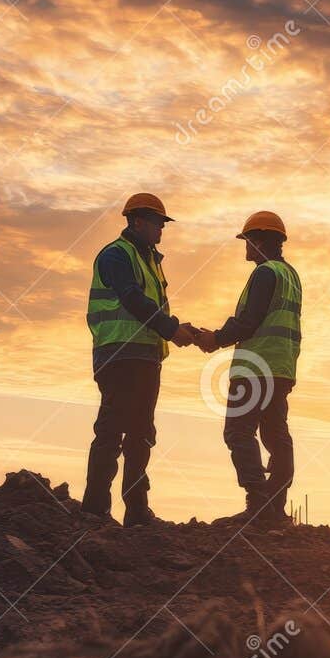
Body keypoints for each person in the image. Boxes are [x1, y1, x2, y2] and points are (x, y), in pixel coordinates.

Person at [84, 192, 205, 525]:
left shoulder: (149, 260)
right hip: (120, 353)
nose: (161, 230)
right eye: (156, 224)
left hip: (145, 357)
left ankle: (137, 512)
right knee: (112, 430)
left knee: (140, 433)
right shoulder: (116, 255)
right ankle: (94, 510)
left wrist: (178, 328)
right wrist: (171, 329)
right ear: (137, 222)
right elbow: (133, 300)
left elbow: (150, 306)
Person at [196, 211, 302, 524]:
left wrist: (214, 339)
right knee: (276, 437)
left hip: (256, 368)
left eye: (247, 240)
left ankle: (259, 506)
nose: (245, 247)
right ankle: (275, 508)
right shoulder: (290, 275)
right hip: (281, 369)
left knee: (238, 432)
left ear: (259, 240)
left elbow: (249, 321)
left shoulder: (265, 273)